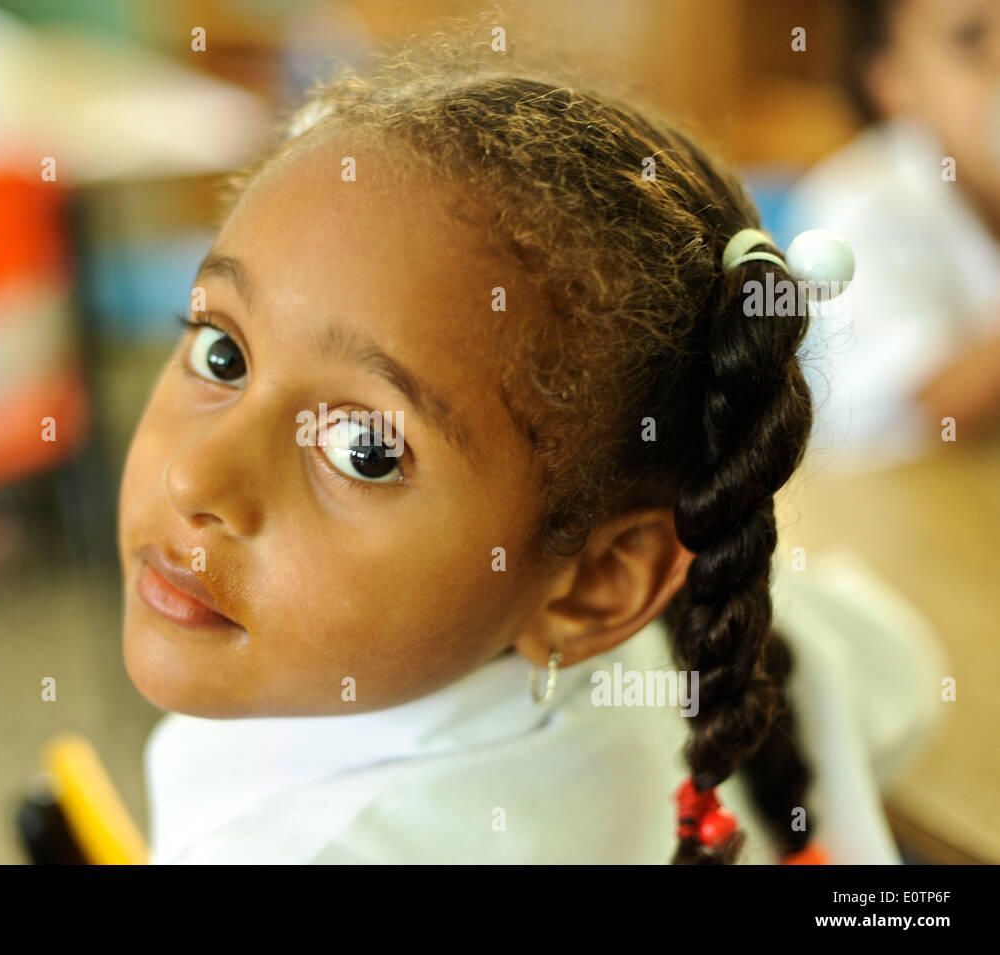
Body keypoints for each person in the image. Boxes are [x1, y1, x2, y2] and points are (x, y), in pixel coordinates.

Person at [117, 35, 944, 864]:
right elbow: (903, 668)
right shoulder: (721, 629)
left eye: (364, 447)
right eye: (221, 352)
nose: (195, 472)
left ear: (602, 583)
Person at [788, 0, 1000, 468]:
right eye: (970, 40)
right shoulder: (859, 202)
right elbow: (937, 412)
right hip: (885, 511)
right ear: (891, 82)